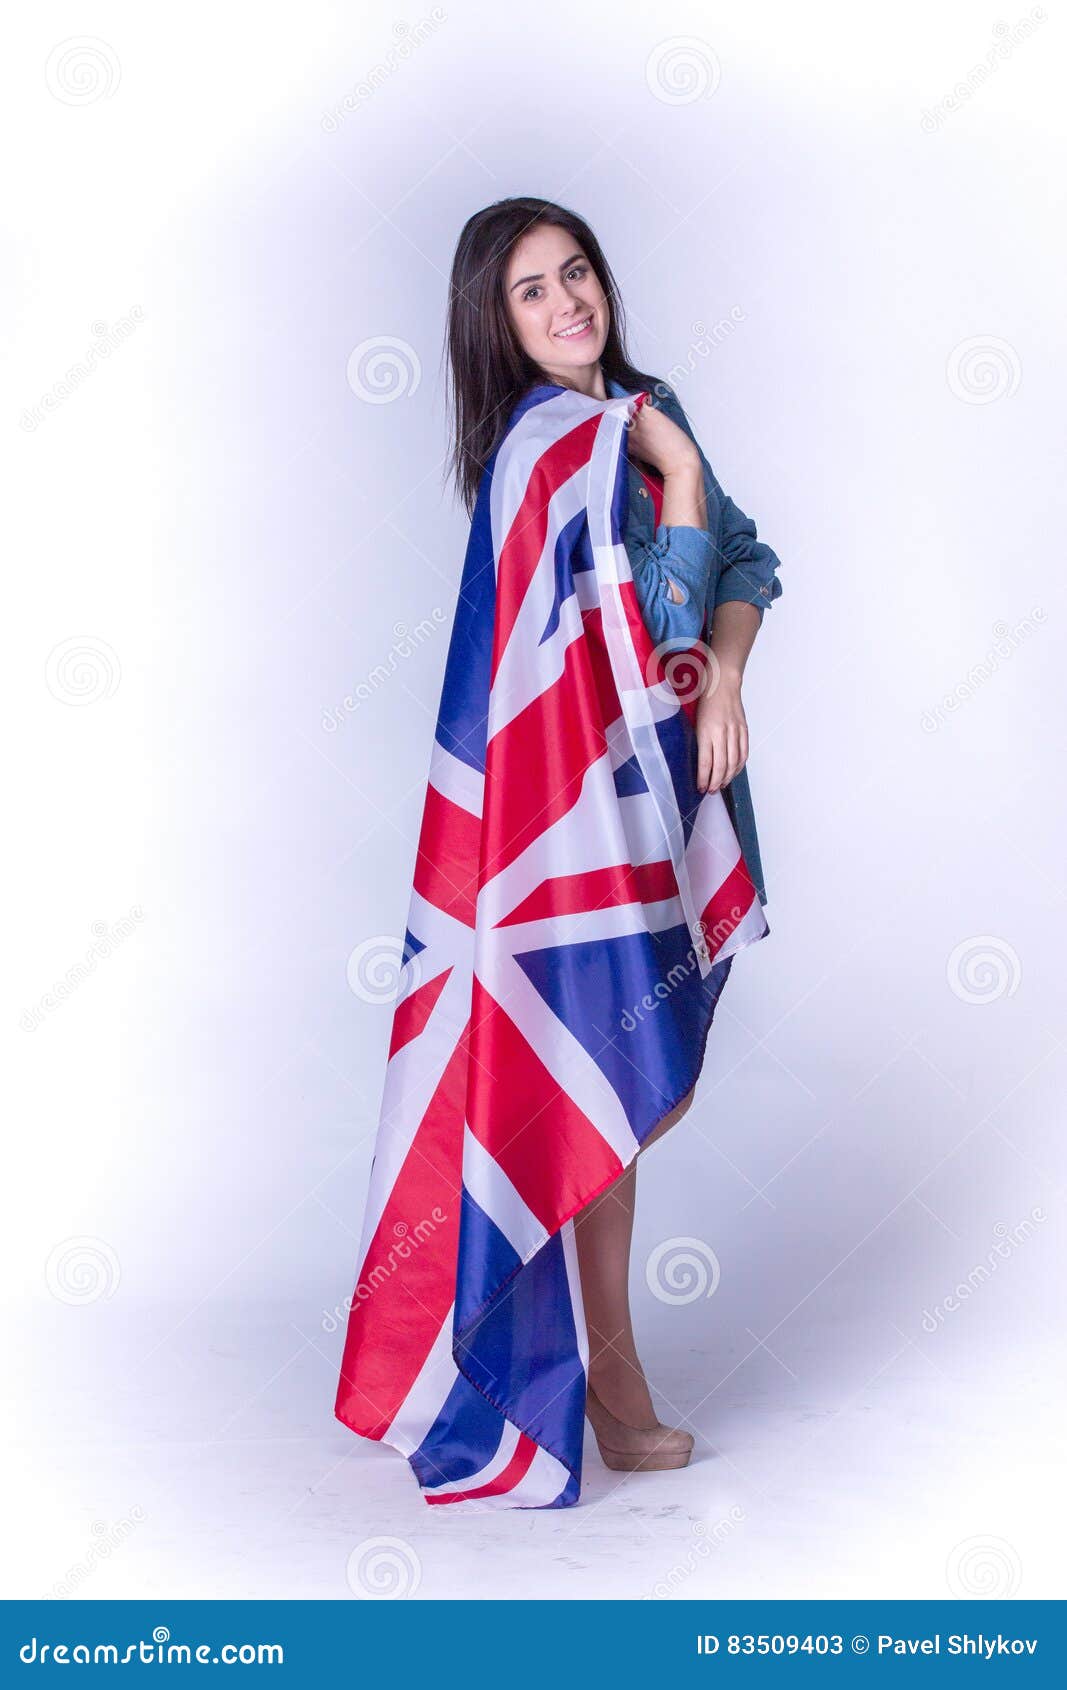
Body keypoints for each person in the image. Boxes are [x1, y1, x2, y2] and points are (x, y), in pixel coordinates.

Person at [446, 197, 783, 1471]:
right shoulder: (544, 456)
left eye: (574, 271)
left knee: (641, 1090)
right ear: (497, 324)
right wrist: (677, 478)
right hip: (582, 824)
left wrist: (728, 681)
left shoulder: (644, 412)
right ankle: (596, 1372)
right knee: (603, 1084)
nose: (566, 302)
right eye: (530, 290)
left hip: (679, 792)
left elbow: (740, 563)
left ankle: (586, 1356)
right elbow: (654, 626)